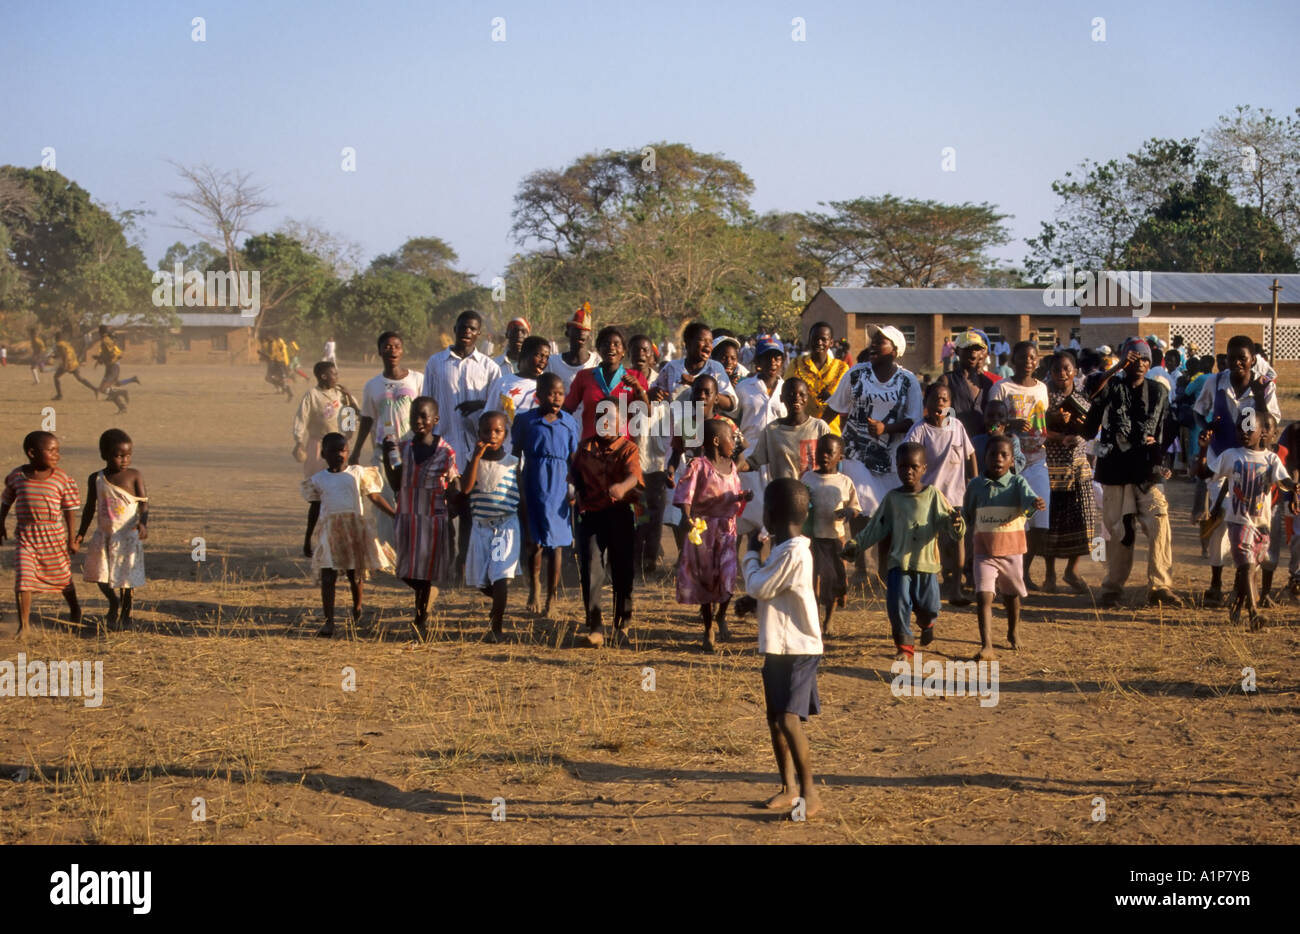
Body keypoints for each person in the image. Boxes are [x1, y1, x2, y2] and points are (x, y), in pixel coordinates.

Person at [742, 477, 823, 818]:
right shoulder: (782, 550)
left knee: (789, 719)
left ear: (772, 515)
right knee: (775, 718)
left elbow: (760, 584)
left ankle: (809, 792)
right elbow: (772, 591)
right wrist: (751, 602)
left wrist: (749, 554)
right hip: (778, 646)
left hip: (798, 648)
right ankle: (789, 788)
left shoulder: (794, 553)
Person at [1081, 338, 1182, 608]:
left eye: (1145, 359)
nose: (1140, 364)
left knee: (1159, 521)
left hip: (1147, 472)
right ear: (1124, 361)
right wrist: (1115, 370)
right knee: (1118, 532)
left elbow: (1164, 429)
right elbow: (1090, 395)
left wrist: (1161, 460)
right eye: (1133, 359)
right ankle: (1112, 587)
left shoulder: (1158, 391)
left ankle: (1160, 586)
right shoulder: (1109, 385)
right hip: (1114, 470)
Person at [843, 441, 965, 659]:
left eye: (913, 467)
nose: (908, 471)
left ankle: (928, 622)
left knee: (930, 606)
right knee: (897, 604)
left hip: (926, 565)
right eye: (902, 466)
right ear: (896, 466)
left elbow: (950, 523)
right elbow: (875, 527)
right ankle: (905, 647)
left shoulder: (933, 495)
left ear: (924, 469)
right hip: (899, 563)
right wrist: (856, 544)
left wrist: (956, 524)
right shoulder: (892, 499)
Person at [1193, 335, 1282, 607]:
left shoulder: (1264, 387)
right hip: (1221, 460)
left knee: (1253, 523)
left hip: (1254, 466)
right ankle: (1216, 584)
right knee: (1222, 522)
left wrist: (1257, 394)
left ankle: (1245, 585)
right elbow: (1198, 411)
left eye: (1242, 358)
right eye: (1232, 358)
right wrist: (1206, 426)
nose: (1237, 363)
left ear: (1252, 360)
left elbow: (1270, 425)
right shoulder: (1215, 382)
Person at [1201, 411, 1295, 628]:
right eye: (1239, 428)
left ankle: (1238, 599)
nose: (1244, 432)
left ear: (1263, 432)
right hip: (1238, 521)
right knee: (1248, 567)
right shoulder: (1231, 455)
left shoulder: (1271, 459)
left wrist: (1294, 487)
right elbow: (1206, 473)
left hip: (1262, 524)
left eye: (1249, 428)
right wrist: (1204, 449)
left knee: (1251, 568)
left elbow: (1284, 480)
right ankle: (1253, 612)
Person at [423, 312, 501, 570]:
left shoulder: (490, 367)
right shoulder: (436, 363)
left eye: (473, 328)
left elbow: (496, 409)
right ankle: (444, 561)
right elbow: (428, 403)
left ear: (479, 333)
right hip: (444, 448)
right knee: (443, 510)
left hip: (475, 452)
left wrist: (480, 404)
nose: (467, 331)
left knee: (470, 511)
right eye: (463, 327)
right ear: (454, 328)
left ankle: (463, 564)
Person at [823, 324, 923, 519]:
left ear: (895, 351)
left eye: (880, 342)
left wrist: (886, 428)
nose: (873, 346)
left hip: (892, 459)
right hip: (856, 455)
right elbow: (834, 408)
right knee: (861, 512)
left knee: (888, 517)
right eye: (873, 342)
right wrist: (815, 433)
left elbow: (914, 421)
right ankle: (859, 550)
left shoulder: (908, 381)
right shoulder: (856, 374)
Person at [303, 433, 397, 638]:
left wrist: (394, 515)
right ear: (323, 454)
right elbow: (314, 510)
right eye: (334, 451)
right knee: (328, 576)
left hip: (354, 529)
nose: (339, 454)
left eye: (343, 450)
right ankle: (329, 621)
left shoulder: (357, 473)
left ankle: (357, 610)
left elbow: (374, 497)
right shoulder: (318, 480)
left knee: (355, 574)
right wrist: (308, 537)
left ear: (348, 452)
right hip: (329, 532)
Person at [962, 435, 1045, 660]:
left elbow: (1029, 502)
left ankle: (1013, 631)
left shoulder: (1017, 483)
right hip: (984, 552)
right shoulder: (976, 485)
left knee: (1010, 596)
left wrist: (1035, 503)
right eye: (993, 454)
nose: (998, 459)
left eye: (1004, 455)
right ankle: (986, 644)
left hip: (1011, 552)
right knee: (983, 597)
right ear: (984, 457)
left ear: (1012, 461)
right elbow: (967, 514)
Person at [381, 397, 458, 634]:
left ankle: (420, 618)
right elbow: (395, 483)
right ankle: (426, 596)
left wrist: (453, 512)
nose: (418, 421)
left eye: (424, 416)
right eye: (415, 416)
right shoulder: (403, 449)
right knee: (404, 569)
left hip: (433, 517)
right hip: (407, 515)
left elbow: (454, 483)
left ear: (435, 419)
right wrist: (387, 457)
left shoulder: (445, 451)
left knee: (425, 571)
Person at [675, 419, 752, 651]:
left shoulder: (732, 467)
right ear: (717, 441)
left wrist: (742, 497)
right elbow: (685, 494)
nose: (734, 444)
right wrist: (688, 518)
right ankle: (708, 627)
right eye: (731, 439)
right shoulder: (699, 465)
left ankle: (722, 615)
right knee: (707, 582)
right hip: (705, 530)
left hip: (727, 531)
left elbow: (732, 493)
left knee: (728, 578)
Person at [571, 405, 643, 646]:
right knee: (591, 568)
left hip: (620, 513)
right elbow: (574, 477)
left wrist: (622, 487)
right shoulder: (584, 448)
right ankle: (595, 626)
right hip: (592, 514)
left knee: (623, 570)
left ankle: (622, 624)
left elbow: (634, 476)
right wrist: (573, 493)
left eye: (612, 418)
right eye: (601, 417)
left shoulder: (628, 448)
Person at [0, 431, 82, 638]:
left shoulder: (62, 479)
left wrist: (72, 539)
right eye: (52, 451)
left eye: (58, 451)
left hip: (53, 536)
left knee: (63, 578)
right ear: (32, 453)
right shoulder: (17, 476)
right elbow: (6, 501)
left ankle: (75, 609)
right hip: (26, 536)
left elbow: (70, 511)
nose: (57, 455)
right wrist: (0, 522)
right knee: (23, 579)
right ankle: (24, 625)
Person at [903, 382, 977, 605]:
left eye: (944, 400)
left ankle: (956, 589)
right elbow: (906, 454)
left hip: (955, 497)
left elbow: (970, 454)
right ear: (926, 404)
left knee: (958, 540)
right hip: (927, 498)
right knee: (927, 544)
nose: (940, 404)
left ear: (950, 405)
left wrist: (974, 480)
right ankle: (925, 590)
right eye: (935, 400)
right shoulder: (920, 430)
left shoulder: (957, 426)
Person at [513, 374, 580, 617]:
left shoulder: (569, 423)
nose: (556, 398)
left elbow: (575, 460)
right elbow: (514, 455)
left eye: (561, 393)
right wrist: (517, 487)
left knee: (557, 545)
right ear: (538, 395)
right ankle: (534, 588)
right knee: (534, 542)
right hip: (533, 483)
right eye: (551, 393)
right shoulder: (525, 421)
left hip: (560, 488)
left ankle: (552, 597)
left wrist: (576, 488)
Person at [987, 341, 1051, 588]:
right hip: (1010, 464)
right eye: (1023, 357)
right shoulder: (1001, 388)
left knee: (1040, 521)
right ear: (1013, 360)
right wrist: (1011, 425)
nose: (1028, 361)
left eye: (1033, 357)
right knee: (1015, 522)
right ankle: (1008, 574)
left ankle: (1023, 571)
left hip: (1038, 461)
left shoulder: (1042, 389)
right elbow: (992, 423)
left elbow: (1043, 420)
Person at [74, 428, 147, 631]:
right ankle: (113, 602)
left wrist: (143, 523)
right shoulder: (96, 479)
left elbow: (144, 504)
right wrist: (81, 533)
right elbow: (90, 508)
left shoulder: (134, 476)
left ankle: (126, 613)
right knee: (100, 574)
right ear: (104, 455)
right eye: (119, 455)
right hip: (104, 535)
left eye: (128, 455)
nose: (125, 460)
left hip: (127, 537)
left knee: (126, 578)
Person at [459, 412, 522, 642]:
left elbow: (522, 498)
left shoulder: (513, 462)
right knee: (481, 580)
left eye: (498, 431)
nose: (492, 435)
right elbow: (465, 489)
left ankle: (497, 626)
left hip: (505, 527)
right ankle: (497, 603)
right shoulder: (472, 459)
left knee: (500, 576)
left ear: (505, 434)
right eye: (487, 431)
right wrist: (476, 457)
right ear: (479, 433)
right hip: (481, 528)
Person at [1041, 351, 1098, 594]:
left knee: (1085, 518)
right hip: (1051, 464)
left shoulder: (1084, 393)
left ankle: (1072, 570)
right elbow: (1036, 427)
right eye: (1057, 369)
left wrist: (1081, 436)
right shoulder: (1043, 393)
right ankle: (1050, 574)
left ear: (1075, 370)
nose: (1062, 374)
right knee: (1052, 521)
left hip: (1079, 464)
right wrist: (1059, 436)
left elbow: (1094, 425)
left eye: (1066, 369)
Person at [801, 435, 859, 635]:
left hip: (835, 539)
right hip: (813, 539)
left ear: (840, 457)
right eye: (820, 452)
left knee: (834, 581)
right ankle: (814, 619)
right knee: (813, 582)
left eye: (829, 453)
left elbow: (855, 507)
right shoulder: (808, 478)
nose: (824, 456)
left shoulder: (844, 482)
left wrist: (848, 512)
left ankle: (829, 620)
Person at [628, 334, 671, 577]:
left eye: (645, 350)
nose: (640, 354)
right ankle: (633, 560)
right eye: (635, 349)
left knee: (656, 514)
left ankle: (651, 559)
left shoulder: (663, 381)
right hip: (632, 457)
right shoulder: (624, 381)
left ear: (653, 356)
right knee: (635, 514)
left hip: (657, 457)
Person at [565, 326, 649, 441]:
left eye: (616, 344)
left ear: (624, 350)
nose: (611, 347)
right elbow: (567, 409)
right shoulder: (584, 376)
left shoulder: (636, 377)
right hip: (591, 448)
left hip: (622, 447)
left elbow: (647, 413)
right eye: (606, 344)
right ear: (599, 349)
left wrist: (638, 388)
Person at [747, 378, 831, 481]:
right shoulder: (772, 430)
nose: (796, 398)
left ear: (807, 398)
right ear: (781, 398)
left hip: (813, 492)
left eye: (802, 394)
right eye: (791, 394)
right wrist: (730, 465)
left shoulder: (819, 427)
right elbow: (753, 462)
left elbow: (832, 463)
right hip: (784, 492)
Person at [650, 321, 737, 414]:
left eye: (710, 342)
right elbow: (655, 393)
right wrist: (656, 394)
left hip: (705, 426)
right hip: (676, 425)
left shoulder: (715, 368)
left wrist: (696, 383)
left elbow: (731, 404)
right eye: (703, 340)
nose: (708, 345)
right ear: (688, 344)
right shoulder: (672, 367)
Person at [482, 335, 550, 453]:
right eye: (539, 355)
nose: (543, 360)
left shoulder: (548, 384)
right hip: (508, 452)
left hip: (538, 452)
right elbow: (489, 417)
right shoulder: (504, 382)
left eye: (546, 357)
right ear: (524, 355)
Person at [293, 362, 359, 478]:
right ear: (324, 376)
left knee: (339, 477)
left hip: (339, 444)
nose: (337, 378)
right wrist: (299, 441)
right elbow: (301, 417)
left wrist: (349, 431)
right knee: (315, 478)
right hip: (318, 444)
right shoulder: (312, 395)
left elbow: (351, 412)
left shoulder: (340, 393)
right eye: (334, 374)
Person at [785, 322, 849, 432]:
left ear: (831, 342)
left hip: (831, 432)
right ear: (809, 340)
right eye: (815, 338)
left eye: (824, 339)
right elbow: (787, 393)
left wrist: (831, 399)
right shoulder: (796, 364)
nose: (819, 343)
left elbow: (846, 403)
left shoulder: (842, 368)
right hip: (802, 430)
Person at [940, 329, 998, 437]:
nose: (973, 354)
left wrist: (993, 430)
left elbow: (995, 421)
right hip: (954, 444)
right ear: (957, 351)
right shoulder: (947, 380)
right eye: (968, 349)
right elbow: (938, 415)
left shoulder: (988, 383)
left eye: (976, 349)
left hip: (982, 447)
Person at [548, 302, 599, 392]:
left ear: (589, 336)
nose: (581, 333)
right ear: (568, 333)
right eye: (577, 329)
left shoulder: (597, 362)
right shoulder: (552, 363)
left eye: (585, 330)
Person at [91, 326, 139, 414]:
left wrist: (100, 358)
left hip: (113, 367)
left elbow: (112, 353)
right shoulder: (105, 341)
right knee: (106, 388)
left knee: (104, 389)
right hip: (110, 367)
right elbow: (108, 354)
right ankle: (122, 407)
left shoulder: (106, 341)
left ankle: (122, 394)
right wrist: (100, 359)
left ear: (100, 333)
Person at [51, 329, 98, 401]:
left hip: (68, 363)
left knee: (56, 377)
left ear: (55, 338)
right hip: (74, 362)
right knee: (80, 378)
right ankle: (95, 389)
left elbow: (64, 355)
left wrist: (65, 365)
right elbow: (65, 353)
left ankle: (59, 395)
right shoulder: (65, 343)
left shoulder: (59, 344)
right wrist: (55, 356)